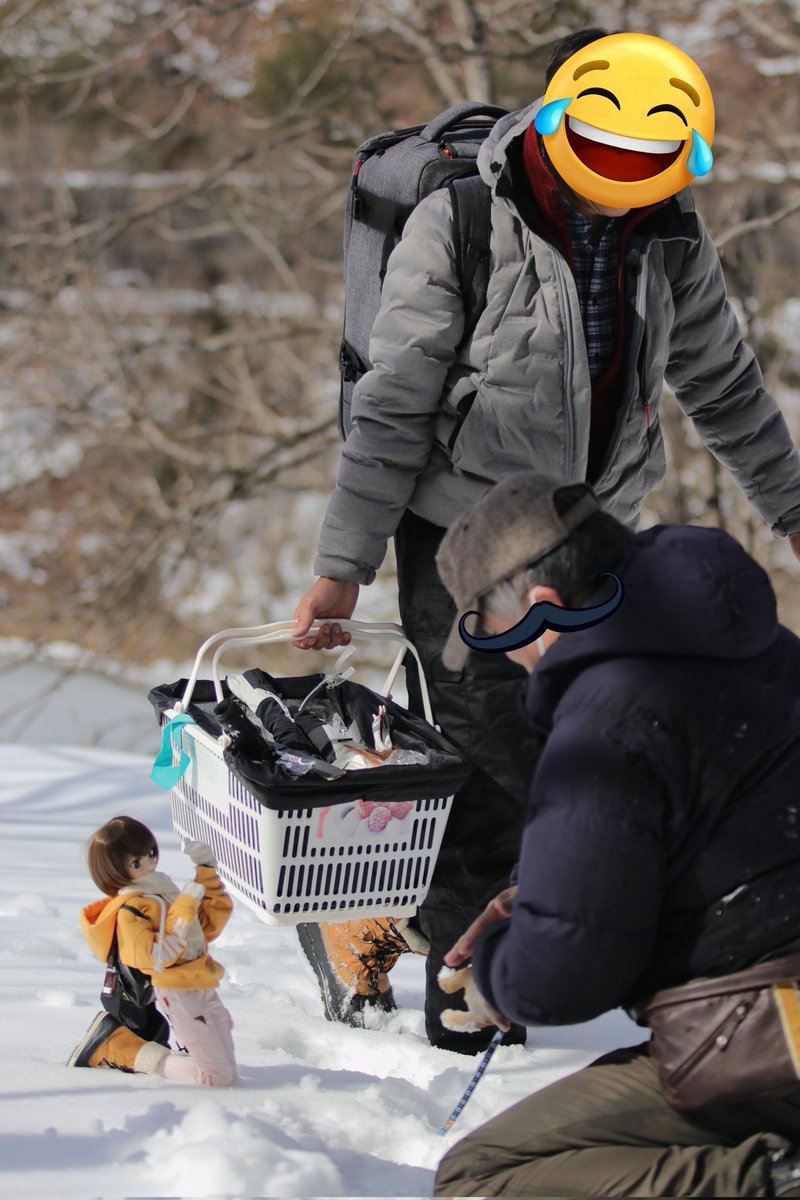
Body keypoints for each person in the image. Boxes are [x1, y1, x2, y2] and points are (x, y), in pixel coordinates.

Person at [292, 26, 800, 1054]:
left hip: (591, 531)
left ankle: (494, 949)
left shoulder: (669, 233)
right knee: (491, 775)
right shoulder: (463, 220)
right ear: (563, 126)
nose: (623, 180)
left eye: (646, 162)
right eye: (606, 155)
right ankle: (461, 1011)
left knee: (597, 752)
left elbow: (724, 389)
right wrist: (340, 569)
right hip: (463, 534)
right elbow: (391, 407)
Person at [430, 470, 800, 1198]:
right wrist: (535, 896)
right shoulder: (762, 642)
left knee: (482, 1176)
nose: (505, 657)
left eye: (494, 634)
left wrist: (497, 966)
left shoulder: (604, 723)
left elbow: (560, 978)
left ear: (541, 608)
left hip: (771, 1033)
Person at [68, 816, 237, 1086]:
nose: (148, 863)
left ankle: (131, 1047)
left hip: (203, 983)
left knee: (228, 1072)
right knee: (215, 1077)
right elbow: (157, 958)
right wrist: (182, 911)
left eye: (150, 854)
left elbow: (207, 927)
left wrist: (206, 870)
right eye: (136, 862)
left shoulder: (163, 892)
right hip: (178, 992)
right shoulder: (131, 909)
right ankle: (120, 1047)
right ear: (115, 871)